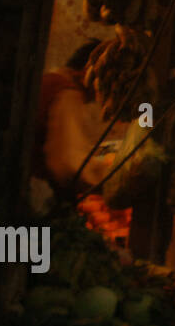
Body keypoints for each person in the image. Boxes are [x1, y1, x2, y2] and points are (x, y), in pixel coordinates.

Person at [31, 39, 119, 207]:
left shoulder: (50, 80)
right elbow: (70, 165)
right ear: (89, 71)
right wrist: (113, 181)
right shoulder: (66, 93)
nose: (97, 97)